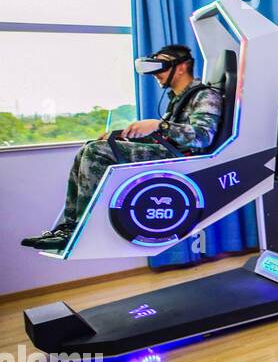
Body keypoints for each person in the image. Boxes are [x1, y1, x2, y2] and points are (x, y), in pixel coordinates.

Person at [21, 44, 224, 252]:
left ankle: (80, 229)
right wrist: (122, 137)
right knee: (89, 147)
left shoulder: (204, 96)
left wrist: (158, 124)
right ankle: (68, 227)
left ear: (181, 67)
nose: (156, 74)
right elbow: (165, 137)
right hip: (169, 152)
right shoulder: (178, 99)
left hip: (185, 160)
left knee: (96, 152)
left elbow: (203, 137)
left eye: (161, 67)